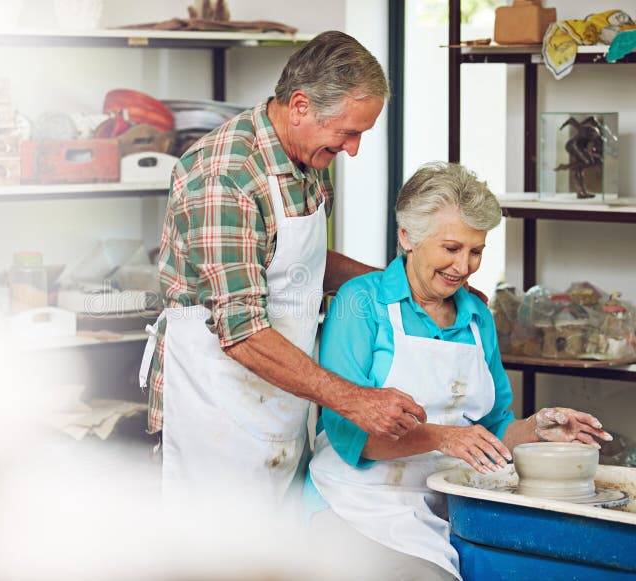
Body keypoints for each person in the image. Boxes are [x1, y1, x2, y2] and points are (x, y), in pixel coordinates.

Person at [138, 30, 427, 508]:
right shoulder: (224, 176)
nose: (353, 149)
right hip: (218, 412)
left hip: (282, 402)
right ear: (299, 106)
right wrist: (356, 401)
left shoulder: (307, 157)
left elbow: (300, 265)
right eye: (348, 133)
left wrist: (407, 286)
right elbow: (244, 332)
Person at [305, 161, 613, 580]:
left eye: (476, 251)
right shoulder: (361, 303)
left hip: (447, 505)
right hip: (354, 504)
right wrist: (445, 438)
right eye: (451, 249)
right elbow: (351, 437)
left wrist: (538, 429)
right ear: (407, 237)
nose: (464, 267)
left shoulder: (476, 317)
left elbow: (492, 428)